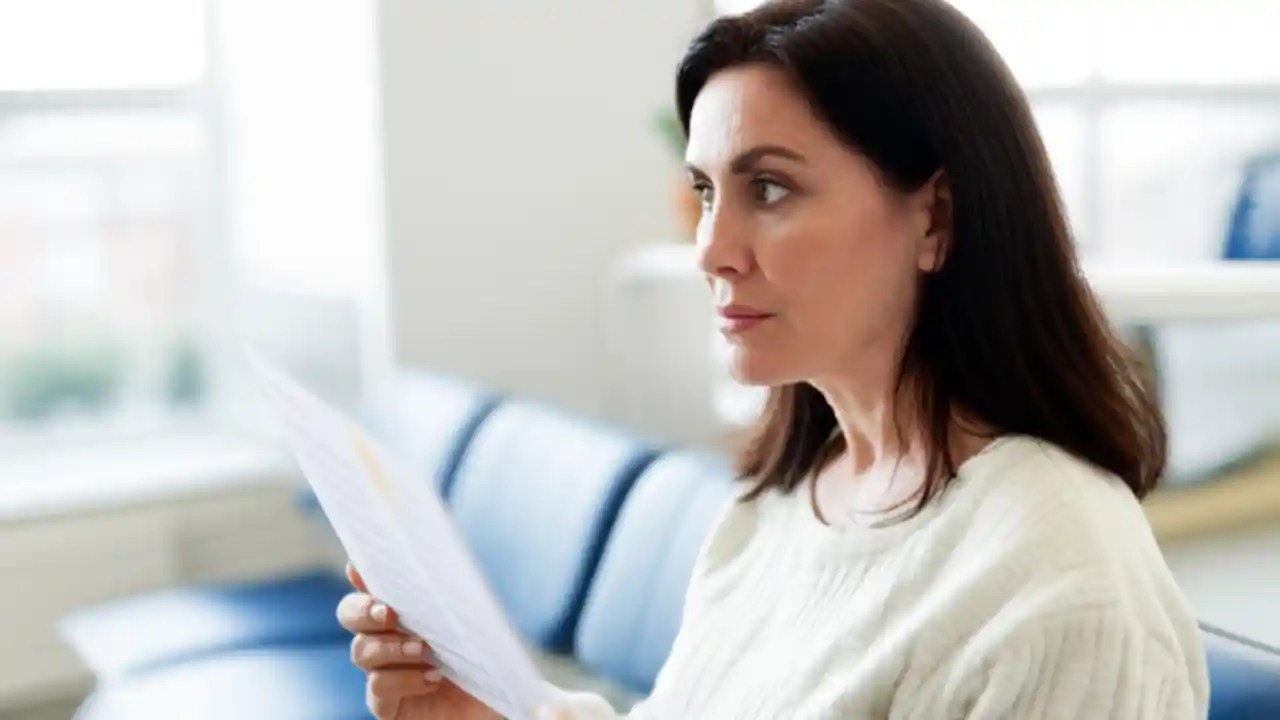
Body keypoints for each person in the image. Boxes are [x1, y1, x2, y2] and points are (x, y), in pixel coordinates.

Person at [337, 0, 1210, 717]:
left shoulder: (1061, 594)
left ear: (936, 220)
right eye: (708, 191)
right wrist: (487, 710)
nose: (712, 250)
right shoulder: (792, 497)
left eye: (771, 188)